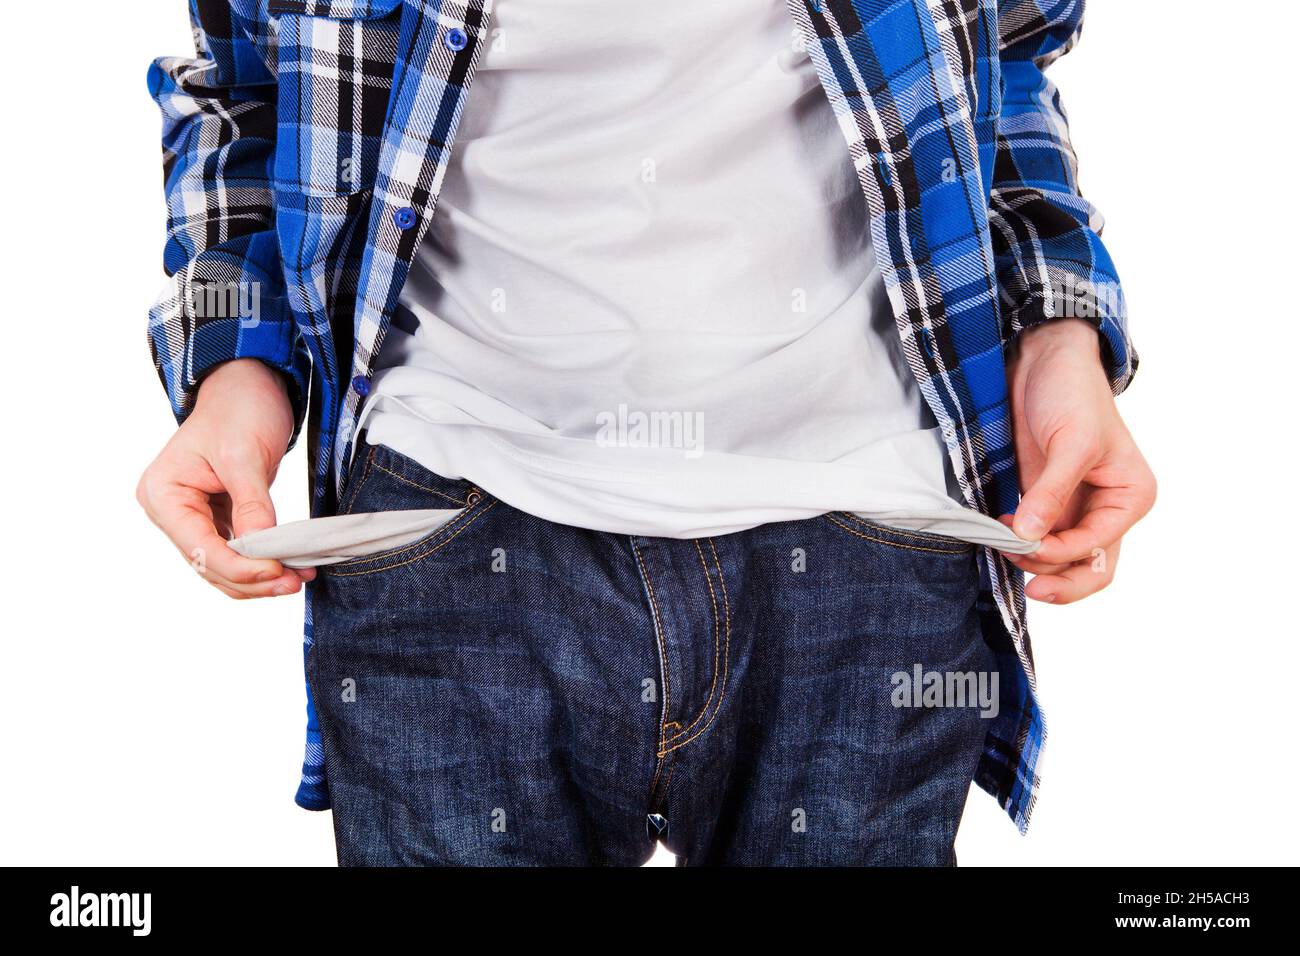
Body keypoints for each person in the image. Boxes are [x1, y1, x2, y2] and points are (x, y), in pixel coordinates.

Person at [137, 0, 1155, 865]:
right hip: (448, 521)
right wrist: (239, 373)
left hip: (865, 541)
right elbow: (246, 92)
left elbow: (1007, 59)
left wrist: (1052, 337)